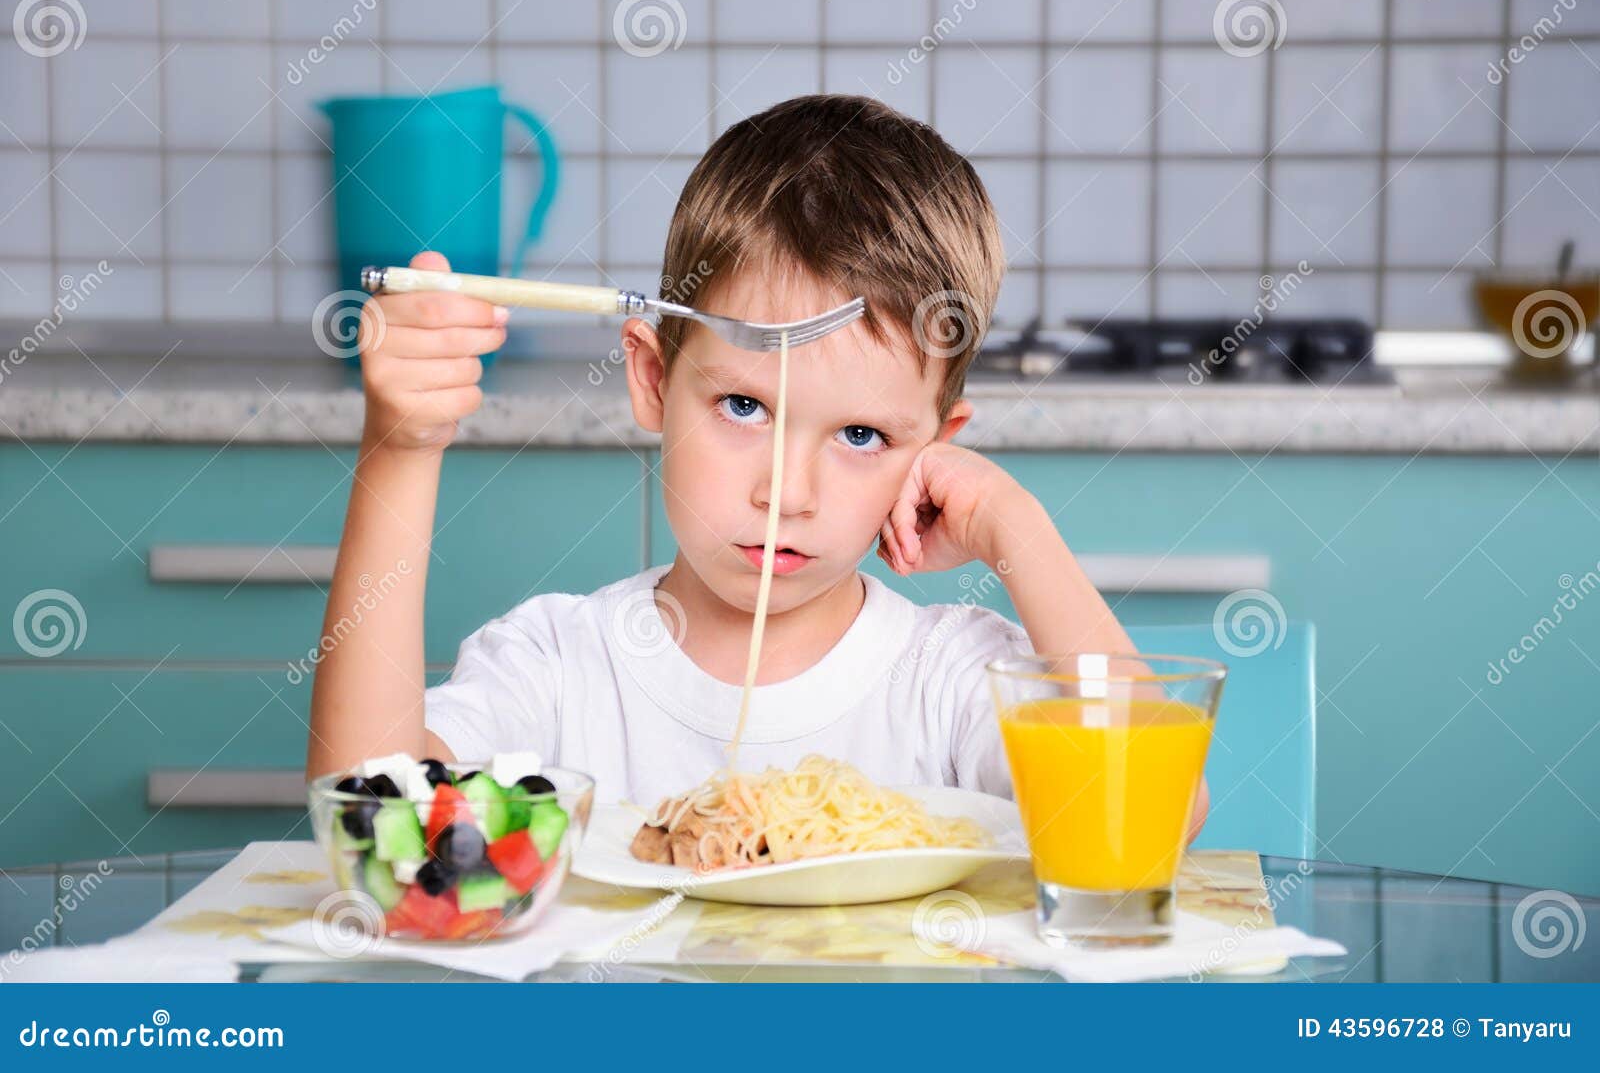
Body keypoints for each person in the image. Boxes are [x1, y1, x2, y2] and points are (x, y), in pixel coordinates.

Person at [307, 94, 1208, 837]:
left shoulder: (949, 682)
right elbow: (371, 811)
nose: (789, 492)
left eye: (862, 436)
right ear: (655, 378)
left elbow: (1148, 819)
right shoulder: (560, 665)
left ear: (933, 450)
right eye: (744, 406)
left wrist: (1019, 528)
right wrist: (402, 449)